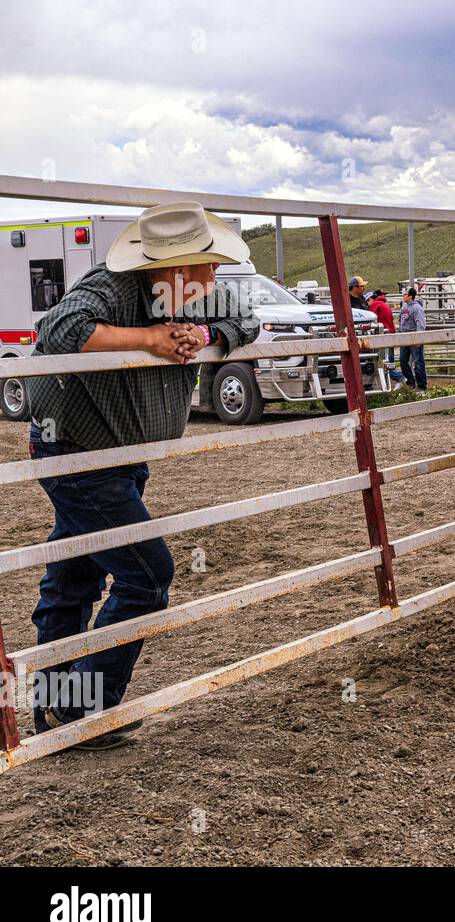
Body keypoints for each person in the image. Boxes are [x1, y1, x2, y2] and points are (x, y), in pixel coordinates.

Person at [26, 201, 257, 750]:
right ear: (173, 268)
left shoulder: (196, 297)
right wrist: (149, 340)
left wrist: (200, 334)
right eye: (206, 266)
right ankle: (84, 708)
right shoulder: (109, 286)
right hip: (77, 451)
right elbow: (58, 328)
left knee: (76, 575)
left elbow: (246, 319)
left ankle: (59, 714)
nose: (215, 275)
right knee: (146, 574)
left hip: (118, 452)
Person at [368, 288, 402, 383]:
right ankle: (397, 379)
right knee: (389, 360)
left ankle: (399, 377)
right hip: (390, 334)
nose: (384, 296)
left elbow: (373, 320)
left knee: (382, 361)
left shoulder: (376, 305)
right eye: (383, 294)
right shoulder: (385, 305)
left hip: (383, 336)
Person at [398, 287, 428, 389]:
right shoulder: (404, 307)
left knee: (418, 362)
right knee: (402, 361)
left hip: (414, 338)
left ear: (410, 296)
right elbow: (401, 321)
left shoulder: (416, 308)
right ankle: (411, 382)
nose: (403, 296)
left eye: (405, 294)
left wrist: (419, 339)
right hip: (404, 338)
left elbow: (420, 323)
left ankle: (422, 386)